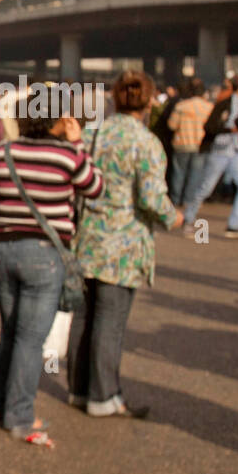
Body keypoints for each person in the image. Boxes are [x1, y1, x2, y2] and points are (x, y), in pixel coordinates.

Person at [0, 88, 103, 447]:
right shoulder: (67, 155)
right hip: (45, 256)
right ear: (60, 118)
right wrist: (77, 144)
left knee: (11, 331)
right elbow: (94, 188)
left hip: (1, 252)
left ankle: (4, 406)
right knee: (30, 340)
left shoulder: (3, 152)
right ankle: (19, 417)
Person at [69, 70, 183, 418]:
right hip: (123, 246)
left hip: (87, 238)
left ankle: (78, 389)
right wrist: (174, 217)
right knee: (110, 320)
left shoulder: (92, 133)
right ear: (149, 102)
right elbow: (151, 198)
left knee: (84, 316)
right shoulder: (146, 142)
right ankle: (104, 397)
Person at [184, 69, 238, 239]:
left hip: (235, 152)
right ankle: (188, 220)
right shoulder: (224, 104)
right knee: (205, 188)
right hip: (220, 152)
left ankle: (234, 224)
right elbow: (209, 126)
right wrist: (229, 129)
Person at [166, 77, 212, 218]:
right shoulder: (209, 107)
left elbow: (172, 125)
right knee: (195, 175)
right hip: (199, 145)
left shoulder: (181, 106)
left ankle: (175, 201)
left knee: (179, 173)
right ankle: (188, 201)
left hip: (182, 144)